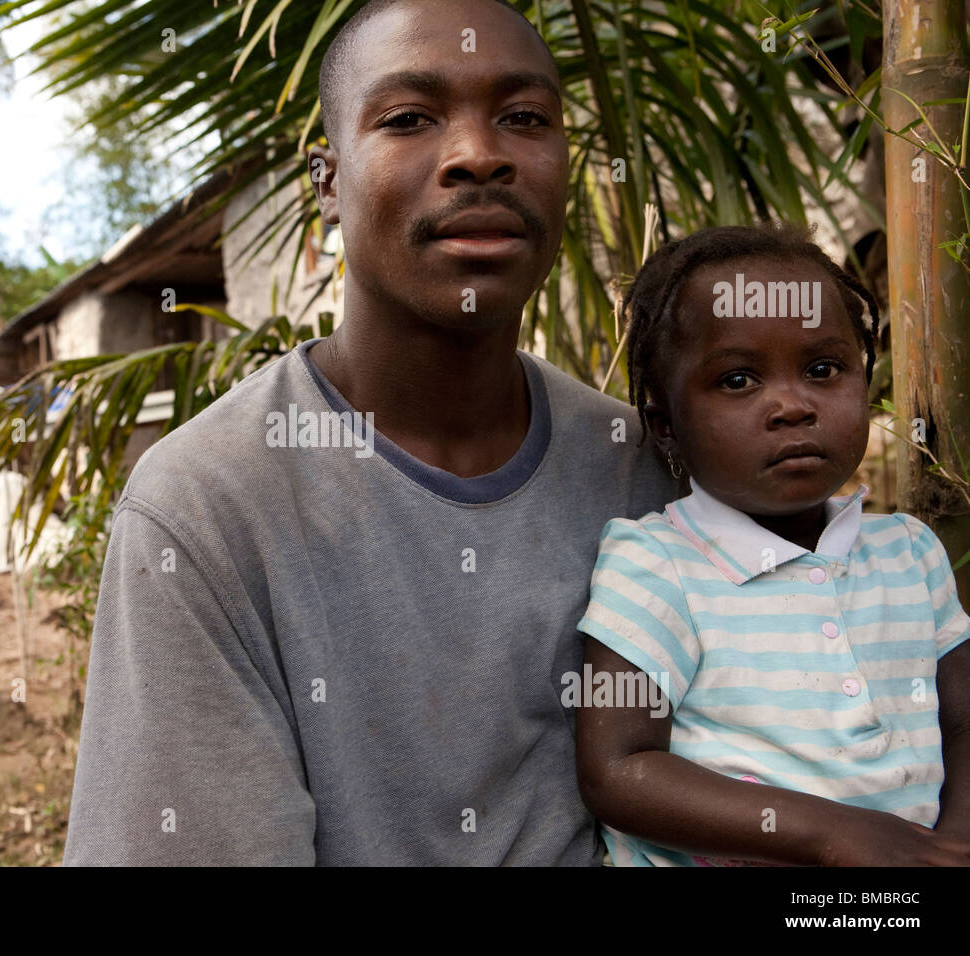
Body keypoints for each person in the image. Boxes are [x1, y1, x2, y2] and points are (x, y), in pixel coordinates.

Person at [63, 0, 683, 865]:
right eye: (408, 119)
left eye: (524, 118)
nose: (479, 155)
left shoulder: (645, 473)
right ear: (327, 182)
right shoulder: (205, 508)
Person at [574, 224, 970, 866]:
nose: (792, 405)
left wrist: (953, 846)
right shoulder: (657, 565)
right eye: (737, 380)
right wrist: (839, 834)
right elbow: (618, 770)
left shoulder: (910, 553)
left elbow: (964, 721)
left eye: (822, 369)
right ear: (665, 426)